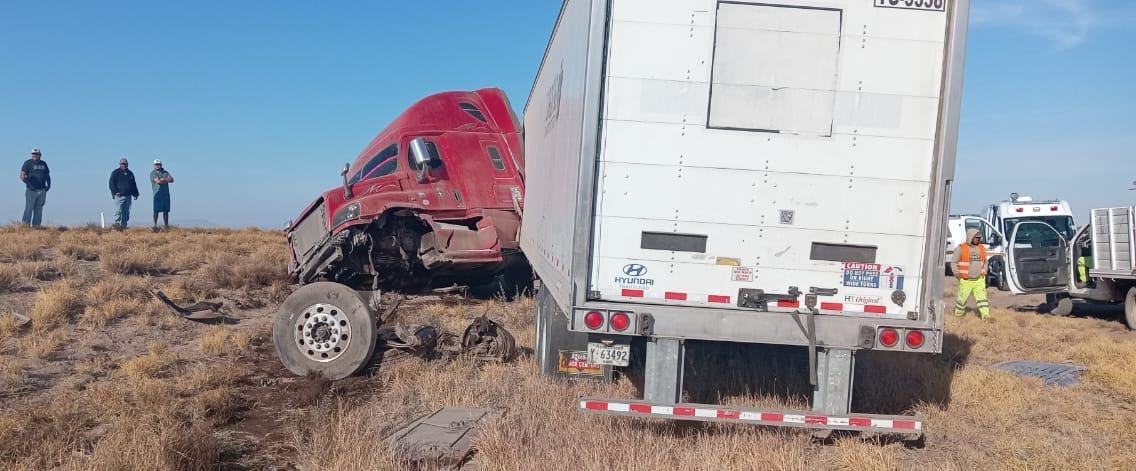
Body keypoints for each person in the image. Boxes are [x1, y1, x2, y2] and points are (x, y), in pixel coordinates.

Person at [952, 228, 990, 319]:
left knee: (982, 300)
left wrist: (984, 271)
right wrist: (958, 275)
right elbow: (954, 262)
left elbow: (985, 262)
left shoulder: (981, 248)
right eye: (976, 237)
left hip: (979, 280)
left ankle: (986, 317)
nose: (978, 239)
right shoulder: (961, 248)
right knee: (962, 300)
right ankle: (958, 315)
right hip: (966, 280)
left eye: (979, 237)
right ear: (971, 237)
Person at [19, 148, 50, 226]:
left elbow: (47, 175)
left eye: (36, 154)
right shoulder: (28, 163)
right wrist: (29, 185)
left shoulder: (43, 163)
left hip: (42, 190)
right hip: (31, 190)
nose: (35, 155)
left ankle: (36, 226)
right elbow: (22, 175)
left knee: (39, 209)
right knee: (29, 208)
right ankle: (25, 226)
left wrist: (48, 185)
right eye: (33, 154)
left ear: (40, 155)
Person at [108, 158, 140, 228]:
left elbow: (133, 184)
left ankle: (124, 225)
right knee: (118, 210)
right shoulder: (115, 172)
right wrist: (115, 192)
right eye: (122, 164)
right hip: (119, 196)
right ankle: (116, 224)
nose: (124, 165)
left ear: (127, 164)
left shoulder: (130, 173)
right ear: (119, 164)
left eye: (125, 164)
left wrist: (136, 193)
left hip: (128, 196)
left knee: (126, 211)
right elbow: (111, 183)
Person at [150, 159, 174, 229]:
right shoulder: (153, 173)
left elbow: (172, 179)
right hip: (157, 195)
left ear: (161, 165)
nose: (157, 166)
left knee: (166, 211)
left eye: (158, 164)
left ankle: (166, 226)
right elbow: (158, 182)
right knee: (156, 211)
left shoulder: (165, 172)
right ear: (154, 165)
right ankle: (155, 225)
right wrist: (166, 180)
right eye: (156, 164)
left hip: (166, 194)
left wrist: (163, 179)